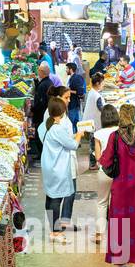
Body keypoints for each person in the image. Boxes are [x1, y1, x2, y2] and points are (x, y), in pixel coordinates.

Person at [99, 105, 135, 267]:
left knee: (120, 223)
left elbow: (106, 161)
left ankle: (118, 264)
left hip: (121, 187)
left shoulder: (114, 137)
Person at [40, 97, 85, 239]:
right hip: (57, 168)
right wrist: (79, 134)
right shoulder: (57, 128)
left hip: (49, 167)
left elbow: (63, 142)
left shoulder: (49, 125)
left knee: (50, 196)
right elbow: (73, 145)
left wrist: (73, 137)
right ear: (62, 111)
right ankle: (55, 232)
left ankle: (54, 227)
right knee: (56, 199)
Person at [90, 104, 121, 244]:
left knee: (102, 203)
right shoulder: (121, 132)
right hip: (120, 173)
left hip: (104, 172)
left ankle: (99, 234)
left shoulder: (98, 134)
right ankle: (119, 235)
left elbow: (97, 157)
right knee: (119, 204)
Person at [28, 61, 57, 163]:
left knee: (40, 135)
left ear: (42, 72)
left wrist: (32, 109)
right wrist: (36, 80)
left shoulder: (44, 85)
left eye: (38, 71)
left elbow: (40, 102)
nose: (37, 72)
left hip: (41, 114)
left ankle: (41, 155)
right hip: (46, 113)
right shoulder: (48, 82)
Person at [65, 62, 87, 126]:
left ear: (71, 70)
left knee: (72, 123)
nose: (66, 70)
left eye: (67, 68)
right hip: (72, 104)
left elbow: (80, 92)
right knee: (75, 123)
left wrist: (69, 90)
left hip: (73, 104)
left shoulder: (76, 78)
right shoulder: (71, 78)